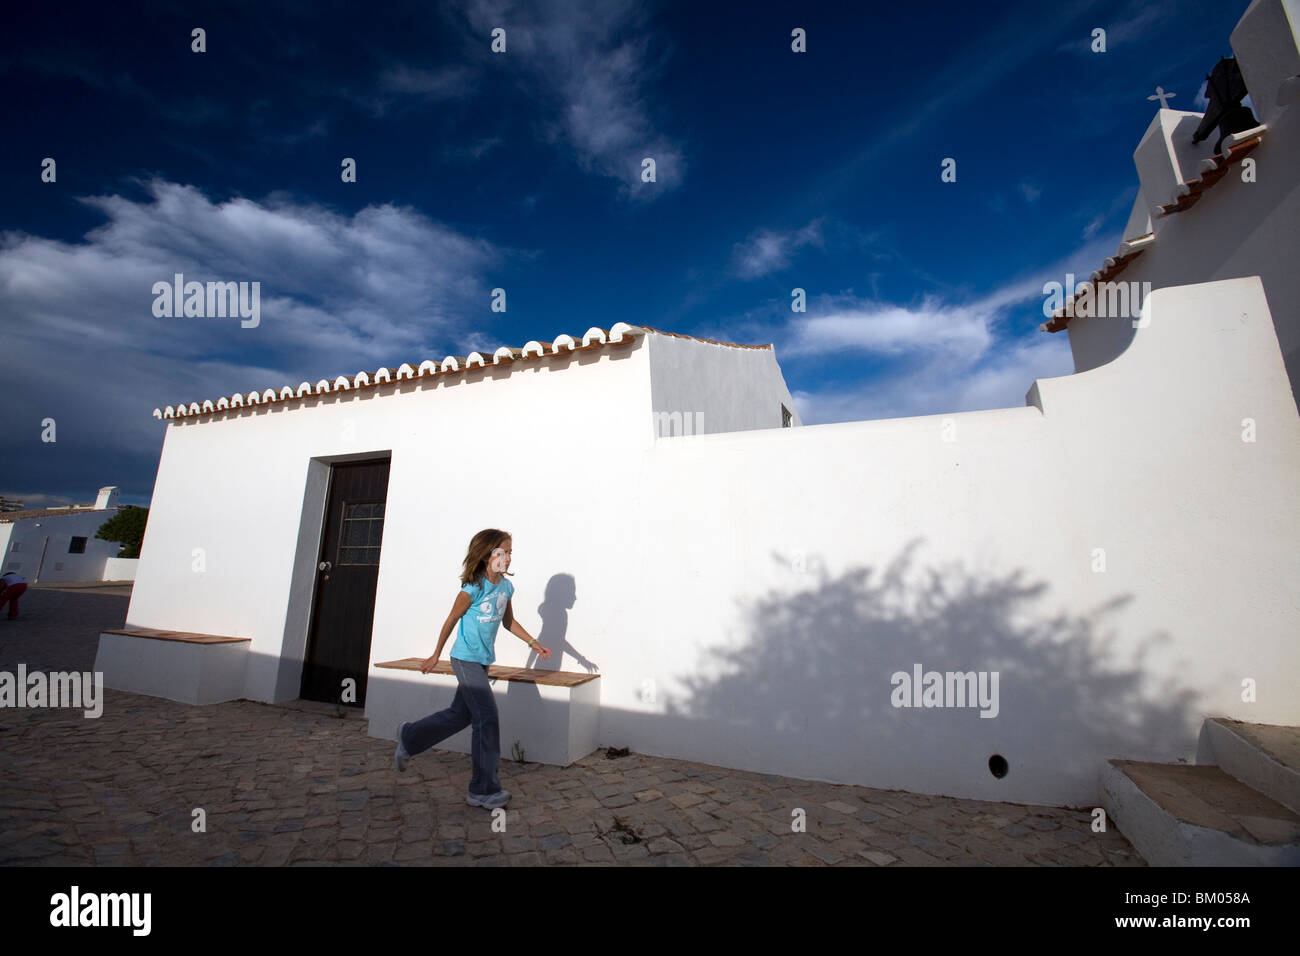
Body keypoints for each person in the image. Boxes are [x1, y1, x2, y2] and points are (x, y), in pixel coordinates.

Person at [394, 529, 551, 809]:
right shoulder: (472, 589)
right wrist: (435, 655)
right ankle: (483, 789)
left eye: (510, 552)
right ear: (485, 555)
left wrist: (533, 642)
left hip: (482, 660)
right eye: (501, 552)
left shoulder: (505, 587)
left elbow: (508, 622)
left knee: (460, 715)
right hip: (464, 659)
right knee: (487, 716)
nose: (507, 557)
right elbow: (450, 620)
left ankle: (410, 736)